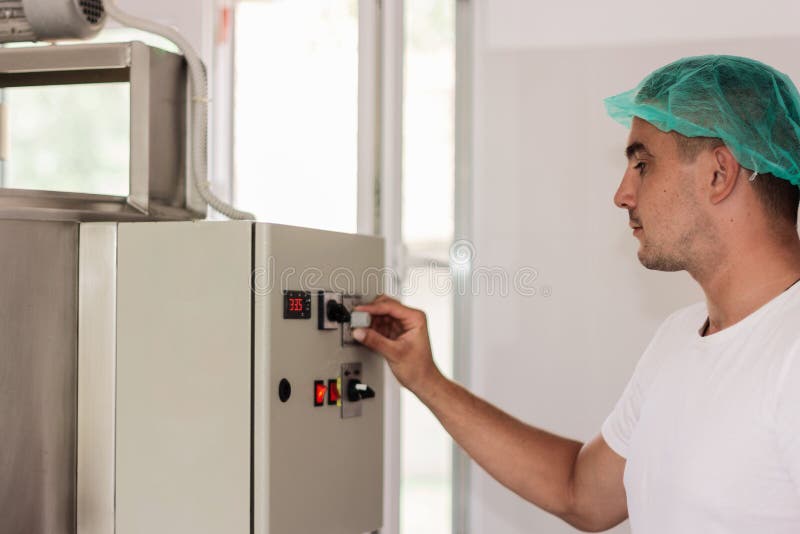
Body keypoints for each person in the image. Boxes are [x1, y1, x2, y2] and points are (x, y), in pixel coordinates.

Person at [351, 55, 800, 533]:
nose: (622, 194)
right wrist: (426, 378)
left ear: (718, 173)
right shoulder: (680, 337)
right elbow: (581, 492)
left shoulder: (791, 352)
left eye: (642, 164)